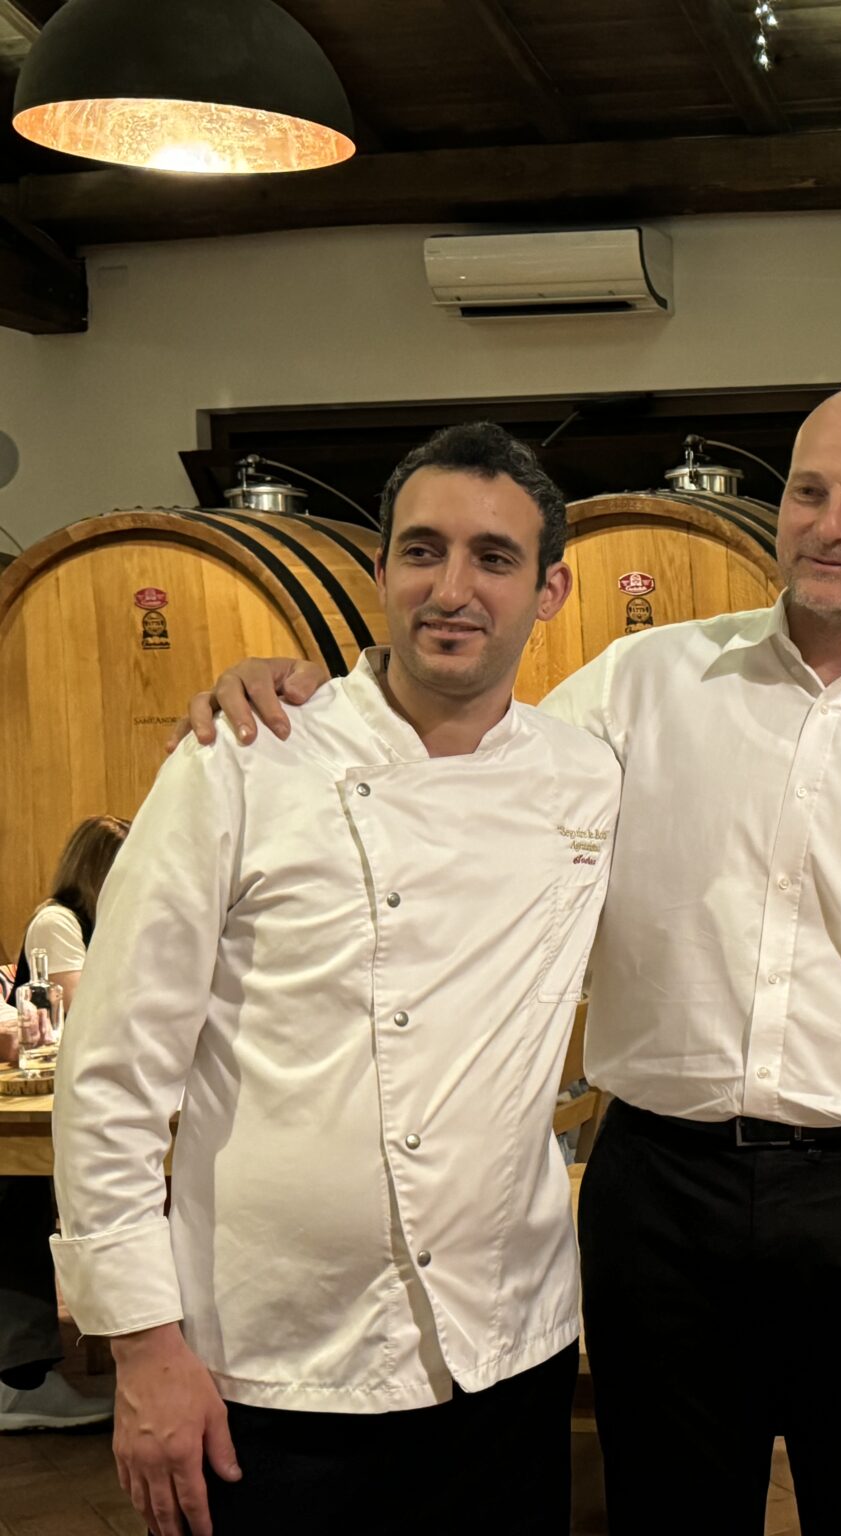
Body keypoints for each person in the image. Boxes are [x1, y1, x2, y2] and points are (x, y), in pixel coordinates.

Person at [188, 383, 841, 1535]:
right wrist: (315, 699)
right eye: (810, 491)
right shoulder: (643, 686)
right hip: (658, 1201)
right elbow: (465, 758)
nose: (830, 523)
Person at [55, 423, 621, 1536]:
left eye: (492, 559)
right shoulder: (242, 757)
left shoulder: (584, 775)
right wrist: (141, 1346)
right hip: (269, 1363)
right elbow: (113, 1071)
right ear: (377, 571)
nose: (449, 590)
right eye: (421, 551)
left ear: (549, 590)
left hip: (506, 1354)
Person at [0, 814, 127, 1435]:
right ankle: (19, 1381)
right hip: (44, 1085)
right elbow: (85, 1004)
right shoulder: (58, 920)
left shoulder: (103, 922)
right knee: (18, 1192)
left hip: (79, 1085)